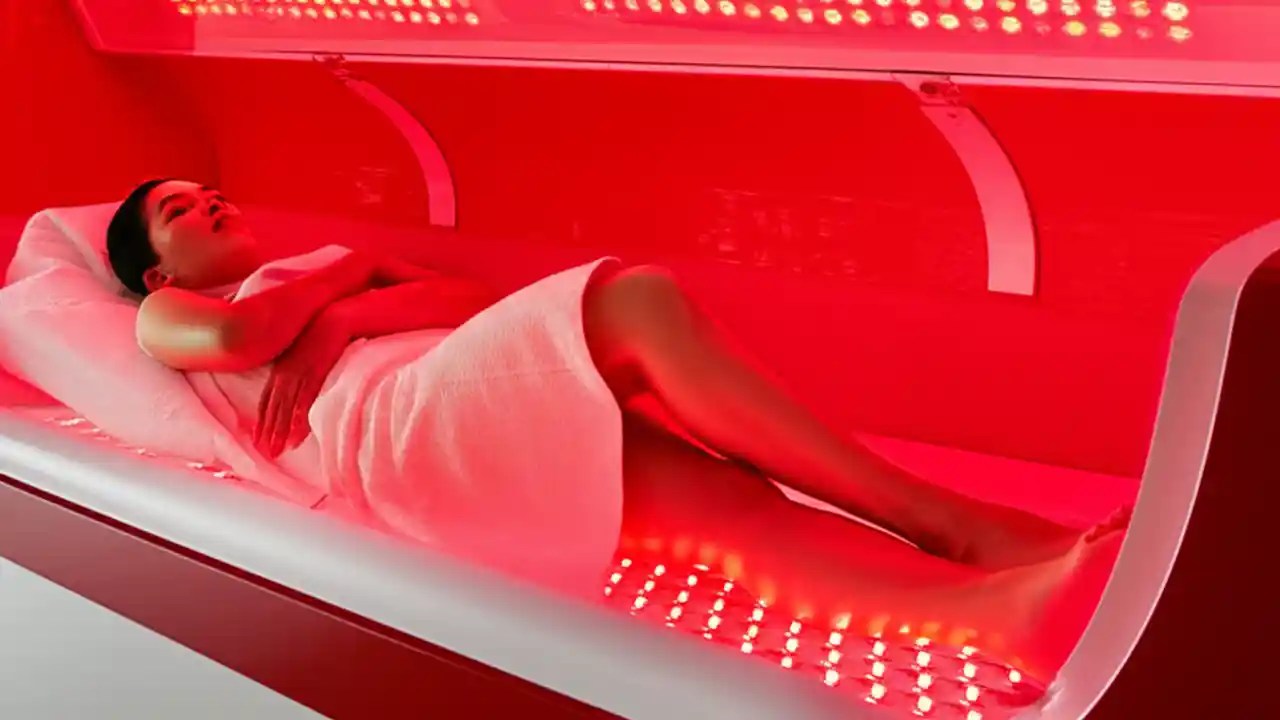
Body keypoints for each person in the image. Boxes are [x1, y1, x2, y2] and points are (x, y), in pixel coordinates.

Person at [107, 178, 1130, 678]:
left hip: (456, 402)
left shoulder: (309, 280)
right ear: (154, 271)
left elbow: (464, 297)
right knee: (636, 303)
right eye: (183, 212)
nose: (213, 205)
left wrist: (339, 305)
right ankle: (955, 527)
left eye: (213, 195)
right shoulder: (165, 318)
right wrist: (343, 281)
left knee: (730, 515)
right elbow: (244, 334)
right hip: (391, 428)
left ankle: (1004, 617)